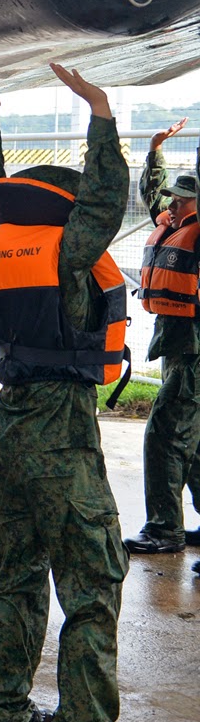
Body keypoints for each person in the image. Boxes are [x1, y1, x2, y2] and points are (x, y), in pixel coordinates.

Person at [0, 65, 147, 722]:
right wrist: (100, 113)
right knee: (93, 582)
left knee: (14, 575)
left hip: (6, 426)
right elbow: (106, 199)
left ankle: (4, 710)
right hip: (63, 429)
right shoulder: (68, 253)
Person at [123, 118, 200, 555]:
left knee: (165, 436)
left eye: (185, 200)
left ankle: (164, 529)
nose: (174, 205)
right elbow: (151, 194)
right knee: (195, 443)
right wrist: (154, 153)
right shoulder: (173, 222)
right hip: (177, 346)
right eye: (175, 197)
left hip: (194, 352)